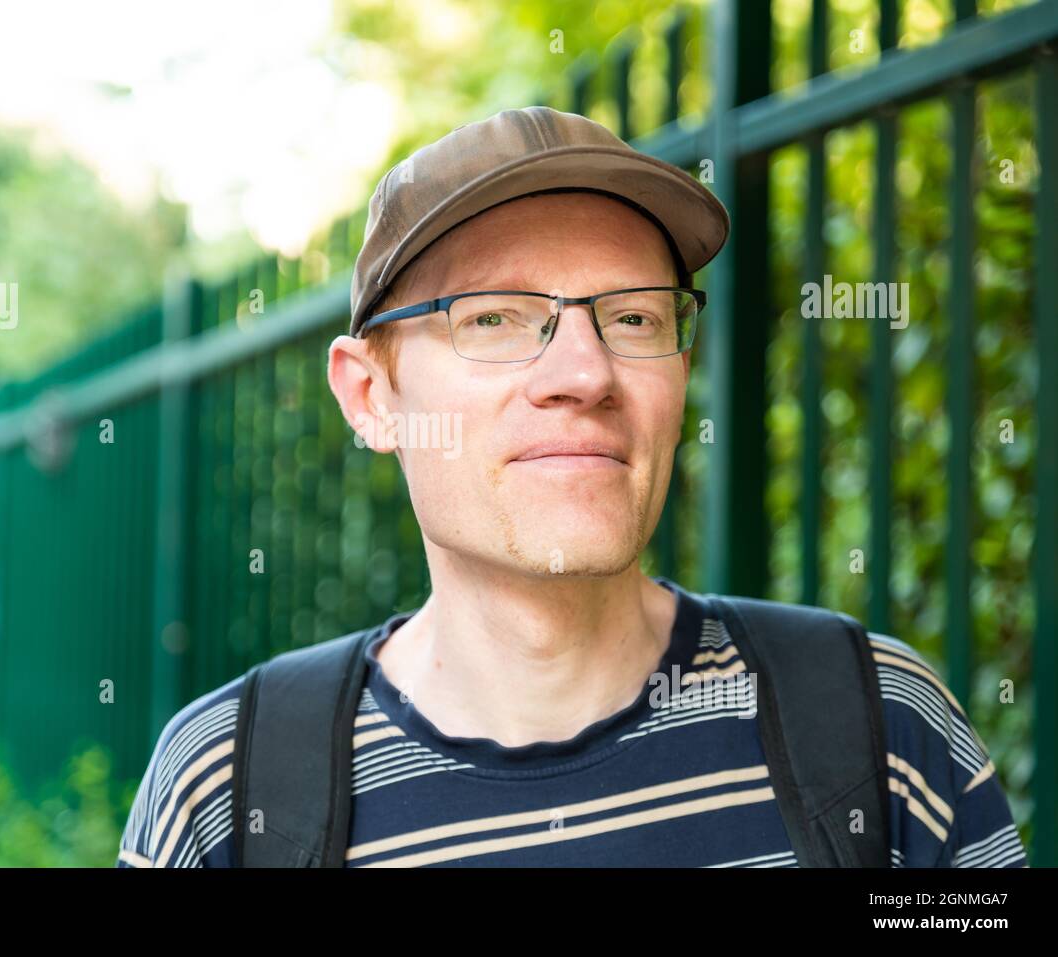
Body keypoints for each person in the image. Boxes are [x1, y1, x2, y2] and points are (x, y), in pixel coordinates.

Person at [116, 106, 1026, 868]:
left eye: (632, 315)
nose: (584, 373)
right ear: (370, 395)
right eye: (496, 317)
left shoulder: (882, 732)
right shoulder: (229, 795)